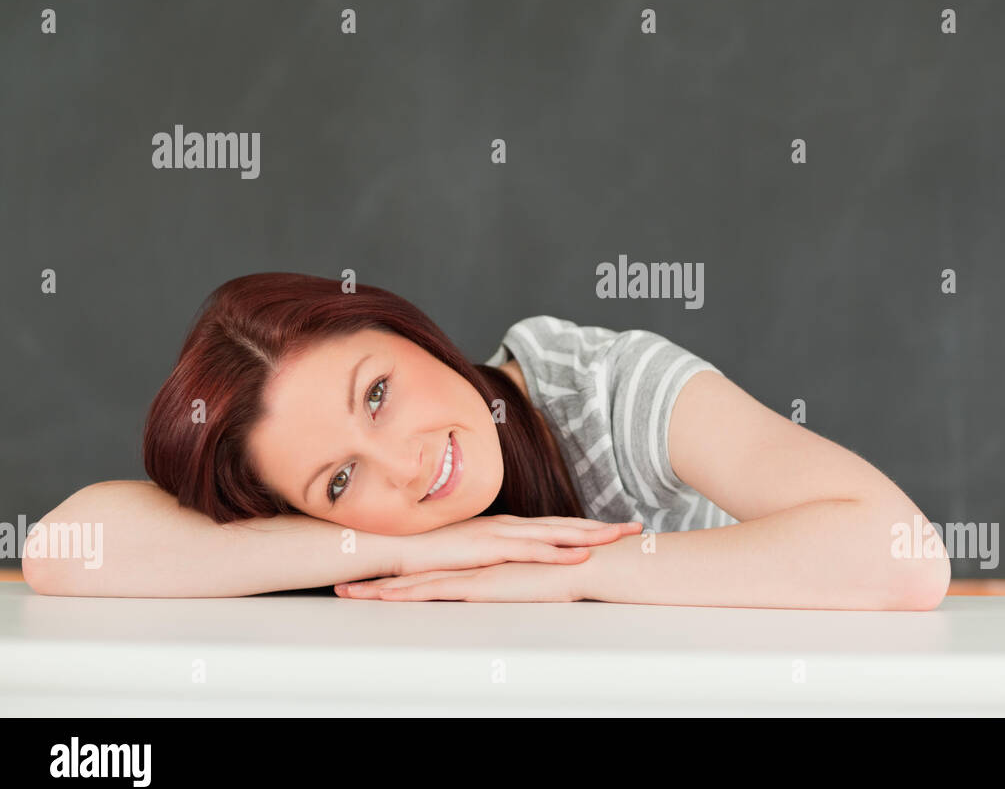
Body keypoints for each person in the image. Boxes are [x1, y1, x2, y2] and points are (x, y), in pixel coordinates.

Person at [23, 272, 949, 609]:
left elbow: (900, 556)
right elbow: (63, 550)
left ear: (410, 331)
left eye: (377, 393)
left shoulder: (602, 388)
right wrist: (374, 539)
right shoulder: (375, 531)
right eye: (338, 478)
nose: (407, 466)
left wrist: (572, 569)